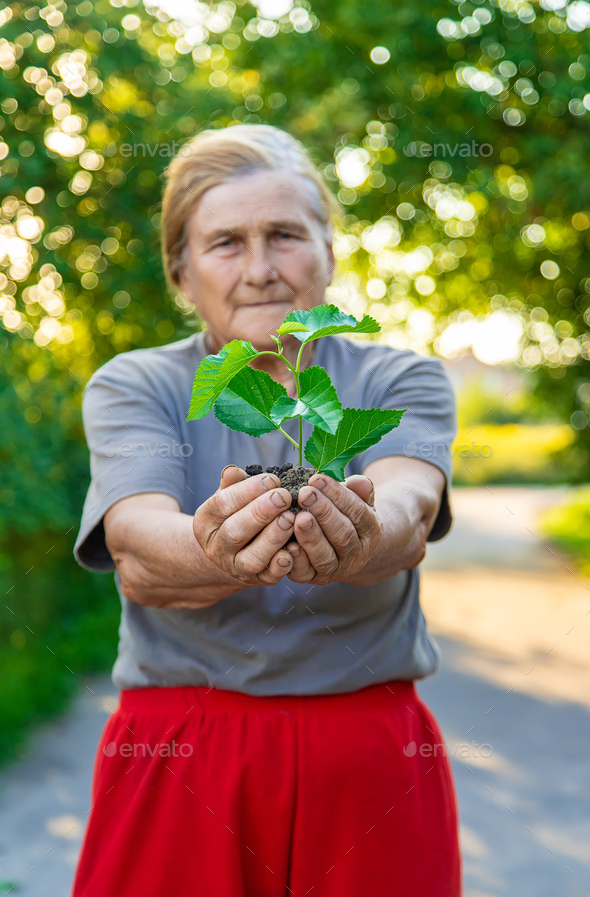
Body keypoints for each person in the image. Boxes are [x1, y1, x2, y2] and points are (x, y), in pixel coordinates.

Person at [71, 124, 462, 897]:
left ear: (328, 251)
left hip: (367, 753)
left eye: (284, 235)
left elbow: (409, 511)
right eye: (225, 243)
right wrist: (214, 546)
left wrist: (359, 536)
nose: (259, 270)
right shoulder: (136, 383)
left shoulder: (401, 376)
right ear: (182, 272)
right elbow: (139, 546)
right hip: (183, 752)